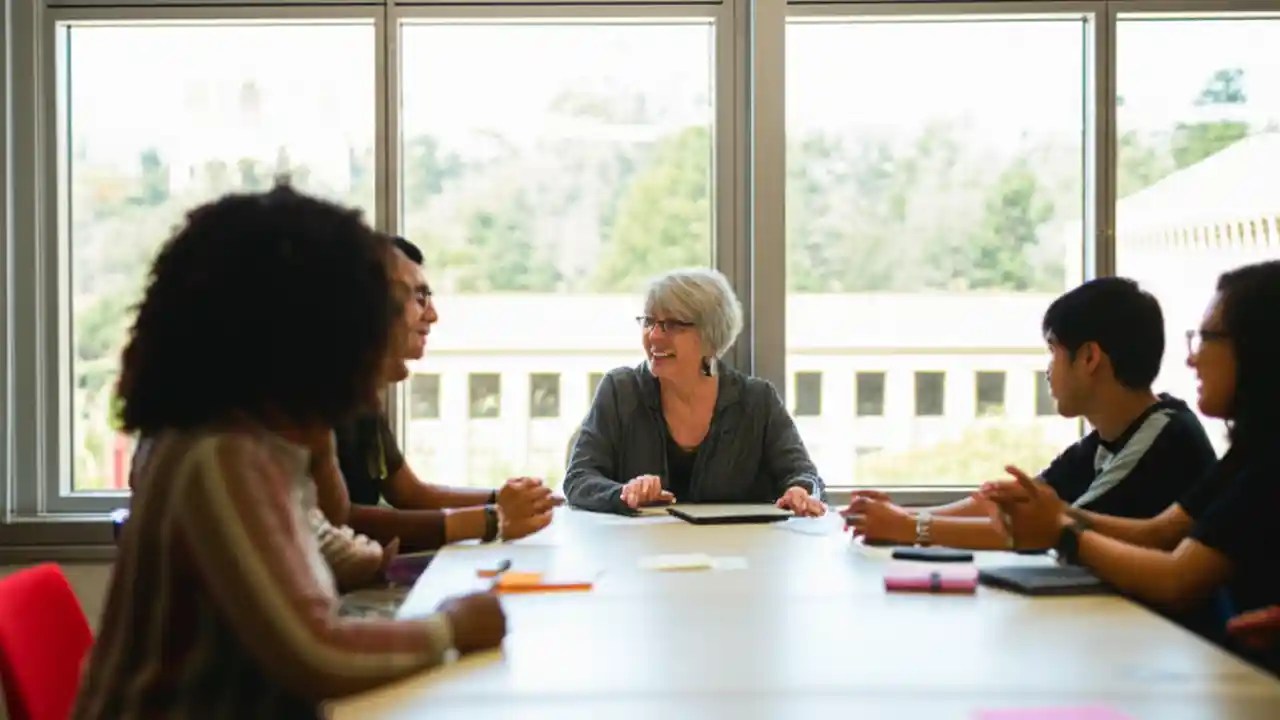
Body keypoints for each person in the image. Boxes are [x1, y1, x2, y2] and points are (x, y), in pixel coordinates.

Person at [74, 187, 505, 719]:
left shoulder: (251, 445)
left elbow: (318, 541)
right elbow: (318, 652)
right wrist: (452, 626)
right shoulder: (219, 456)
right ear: (305, 331)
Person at [982, 261, 1280, 669]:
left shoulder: (1256, 458)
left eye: (1208, 338)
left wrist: (1063, 531)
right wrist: (1057, 516)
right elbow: (1161, 532)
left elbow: (1177, 580)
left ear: (1259, 347)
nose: (1192, 360)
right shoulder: (1250, 450)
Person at [844, 277, 1216, 549]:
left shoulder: (1163, 437)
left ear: (1089, 358)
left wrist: (911, 527)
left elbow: (1042, 529)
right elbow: (1018, 502)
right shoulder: (1112, 435)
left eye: (1053, 351)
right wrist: (904, 516)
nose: (1048, 369)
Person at [314, 235, 559, 553]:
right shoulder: (309, 404)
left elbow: (408, 493)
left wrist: (511, 502)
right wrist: (492, 518)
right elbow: (338, 520)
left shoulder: (361, 397)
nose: (432, 315)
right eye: (418, 297)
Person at [563, 268, 826, 516]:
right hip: (638, 552)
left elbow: (804, 475)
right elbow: (578, 479)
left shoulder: (757, 401)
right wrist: (623, 493)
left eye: (673, 325)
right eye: (649, 321)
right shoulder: (621, 391)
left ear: (710, 336)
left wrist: (799, 492)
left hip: (736, 554)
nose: (654, 336)